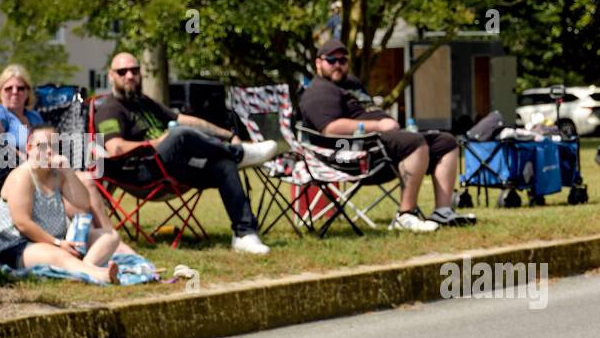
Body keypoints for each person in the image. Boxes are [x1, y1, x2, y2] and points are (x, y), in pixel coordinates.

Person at [93, 52, 276, 254]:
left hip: (174, 168)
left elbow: (185, 120)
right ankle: (240, 153)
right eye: (122, 71)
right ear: (111, 75)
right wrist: (157, 142)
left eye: (134, 70)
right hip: (143, 174)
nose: (129, 76)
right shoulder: (109, 108)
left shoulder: (145, 102)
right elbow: (115, 147)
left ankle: (244, 234)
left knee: (224, 165)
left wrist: (229, 135)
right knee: (178, 134)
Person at [299, 38, 473, 232]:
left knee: (446, 142)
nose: (338, 65)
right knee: (413, 142)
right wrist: (379, 125)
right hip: (356, 154)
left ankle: (443, 211)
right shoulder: (319, 91)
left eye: (343, 60)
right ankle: (406, 215)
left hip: (379, 145)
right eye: (331, 60)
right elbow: (330, 128)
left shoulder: (352, 83)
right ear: (318, 63)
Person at [0, 124, 121, 282]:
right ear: (29, 148)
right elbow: (22, 223)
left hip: (59, 240)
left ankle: (87, 266)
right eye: (42, 146)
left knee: (110, 236)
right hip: (21, 246)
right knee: (59, 255)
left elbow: (84, 203)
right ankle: (98, 275)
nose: (48, 151)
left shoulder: (57, 175)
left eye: (53, 146)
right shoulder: (22, 176)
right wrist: (58, 243)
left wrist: (68, 171)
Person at [0, 64, 43, 164]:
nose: (15, 92)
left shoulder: (34, 116)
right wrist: (24, 158)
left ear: (28, 92)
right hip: (11, 170)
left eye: (20, 88)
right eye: (8, 88)